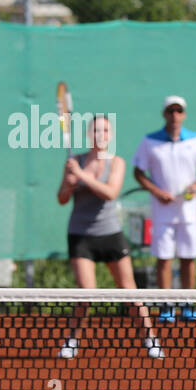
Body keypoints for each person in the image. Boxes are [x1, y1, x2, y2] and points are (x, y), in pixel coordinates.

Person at [56, 114, 163, 358]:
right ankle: (72, 341)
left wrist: (82, 177)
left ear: (110, 135)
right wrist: (69, 183)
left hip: (110, 234)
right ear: (88, 135)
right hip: (80, 236)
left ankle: (150, 339)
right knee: (86, 293)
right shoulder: (75, 162)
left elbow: (110, 193)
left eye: (105, 131)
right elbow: (61, 199)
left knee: (129, 291)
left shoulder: (117, 163)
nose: (100, 135)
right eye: (95, 131)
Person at [131, 95, 196, 322]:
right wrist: (157, 192)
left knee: (188, 258)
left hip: (187, 210)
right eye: (170, 111)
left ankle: (187, 304)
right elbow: (138, 172)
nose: (174, 115)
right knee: (164, 259)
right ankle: (166, 306)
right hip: (162, 210)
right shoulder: (149, 141)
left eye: (179, 111)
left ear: (184, 114)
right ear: (164, 114)